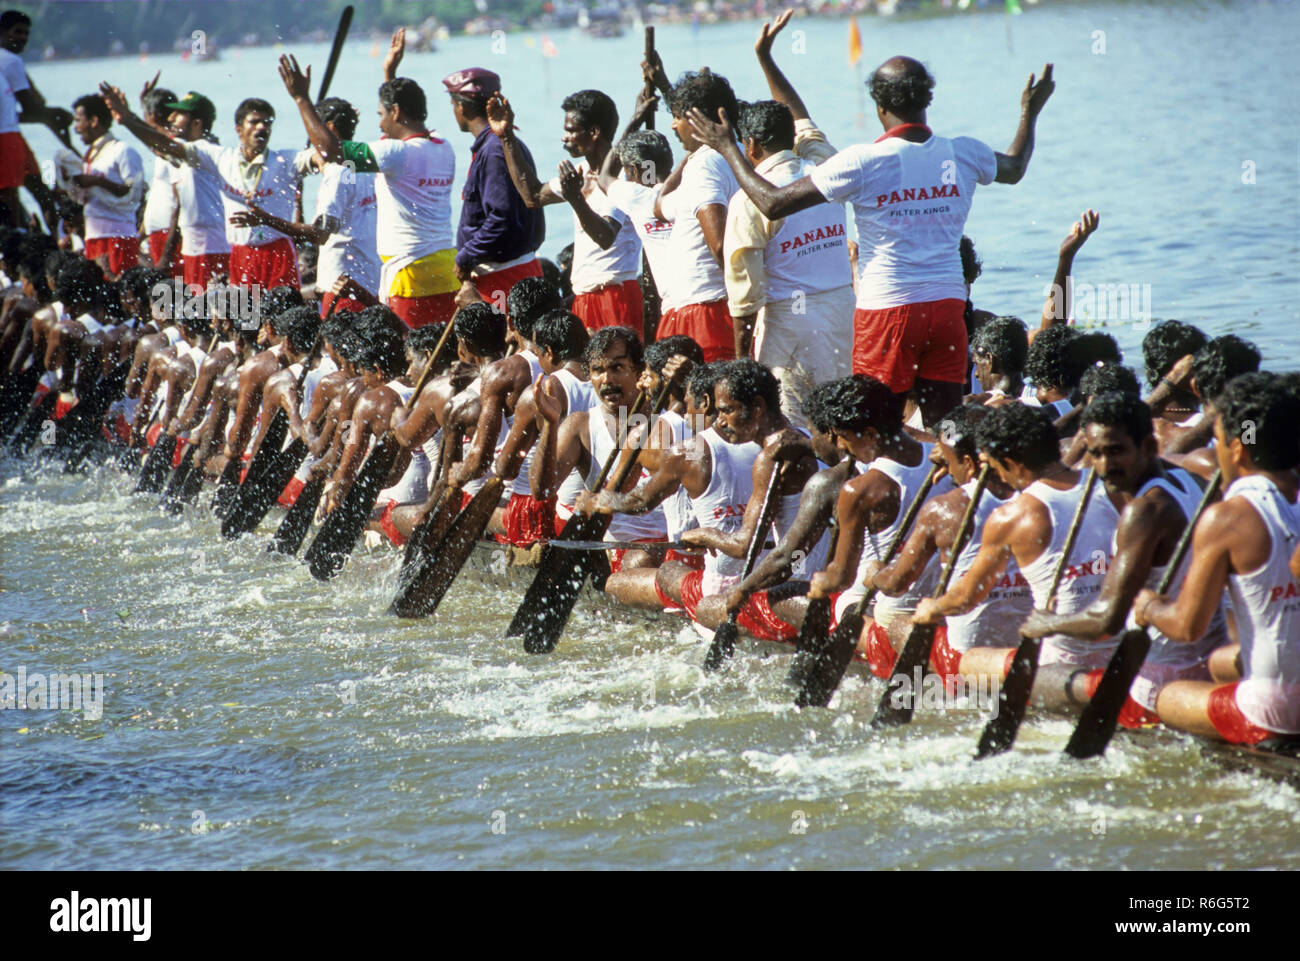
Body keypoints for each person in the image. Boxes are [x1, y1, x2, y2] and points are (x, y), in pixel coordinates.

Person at [683, 52, 1055, 428]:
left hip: (888, 313)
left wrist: (728, 147)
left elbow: (772, 202)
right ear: (928, 98)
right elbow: (1015, 167)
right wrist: (1029, 113)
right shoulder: (964, 152)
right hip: (947, 309)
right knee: (946, 426)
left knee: (872, 427)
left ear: (879, 106)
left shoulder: (863, 161)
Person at [1020, 392, 1226, 726]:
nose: (1105, 466)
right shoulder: (1190, 479)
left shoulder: (1143, 511)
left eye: (1116, 451)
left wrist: (1046, 624)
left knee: (1037, 680)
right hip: (1206, 657)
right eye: (1096, 454)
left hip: (1161, 676)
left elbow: (1106, 620)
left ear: (1148, 446)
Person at [1136, 374, 1300, 744]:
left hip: (1274, 714)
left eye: (1219, 440)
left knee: (1166, 695)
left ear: (1237, 448)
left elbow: (1186, 627)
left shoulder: (1225, 518)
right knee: (1218, 662)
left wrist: (1148, 607)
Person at [913, 402, 1122, 683]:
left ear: (1011, 464)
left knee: (969, 660)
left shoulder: (1012, 516)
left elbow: (966, 598)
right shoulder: (1113, 485)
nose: (999, 476)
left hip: (1061, 659)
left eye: (996, 467)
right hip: (1121, 646)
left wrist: (933, 608)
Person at [723, 13, 854, 425]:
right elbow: (804, 122)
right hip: (842, 312)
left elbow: (745, 298)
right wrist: (766, 59)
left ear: (749, 145)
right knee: (841, 418)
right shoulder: (827, 169)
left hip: (789, 323)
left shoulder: (749, 200)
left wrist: (742, 363)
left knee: (793, 427)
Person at [669, 358, 830, 640]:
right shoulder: (807, 438)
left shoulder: (770, 457)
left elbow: (744, 546)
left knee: (706, 608)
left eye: (727, 410)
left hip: (794, 593)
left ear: (757, 407)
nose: (720, 422)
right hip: (820, 579)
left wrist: (704, 535)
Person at [870, 403, 1031, 682]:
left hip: (963, 655)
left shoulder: (944, 509)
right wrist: (952, 455)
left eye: (948, 460)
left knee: (898, 624)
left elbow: (896, 584)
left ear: (969, 463)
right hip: (1026, 644)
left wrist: (875, 574)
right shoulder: (1039, 497)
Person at [807, 374, 942, 676]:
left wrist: (820, 581)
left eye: (842, 436)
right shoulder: (942, 453)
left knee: (840, 603)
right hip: (943, 599)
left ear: (870, 434)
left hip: (894, 610)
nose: (839, 446)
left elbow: (841, 577)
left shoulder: (860, 490)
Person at [488, 88, 644, 336]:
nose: (564, 138)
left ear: (594, 132)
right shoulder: (580, 174)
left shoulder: (624, 177)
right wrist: (506, 137)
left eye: (571, 131)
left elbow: (605, 236)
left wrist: (576, 199)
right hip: (584, 294)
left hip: (616, 294)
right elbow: (532, 196)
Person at [531, 326, 668, 600]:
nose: (606, 380)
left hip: (676, 546)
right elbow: (542, 490)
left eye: (617, 368)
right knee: (640, 560)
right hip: (626, 555)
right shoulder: (580, 426)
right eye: (597, 370)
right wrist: (550, 424)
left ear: (640, 372)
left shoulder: (670, 418)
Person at [642, 59, 740, 362]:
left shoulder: (707, 164)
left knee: (700, 392)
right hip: (695, 306)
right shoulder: (723, 156)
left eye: (677, 118)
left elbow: (720, 246)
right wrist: (690, 154)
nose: (673, 126)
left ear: (697, 120)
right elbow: (659, 206)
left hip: (704, 311)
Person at [97, 86, 231, 292]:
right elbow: (158, 145)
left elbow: (162, 143)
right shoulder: (186, 154)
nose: (171, 118)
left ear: (196, 123)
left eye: (180, 114)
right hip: (196, 246)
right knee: (194, 305)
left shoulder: (204, 150)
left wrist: (127, 119)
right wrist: (128, 116)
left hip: (210, 248)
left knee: (209, 306)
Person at [445, 67, 543, 311]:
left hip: (503, 278)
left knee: (502, 335)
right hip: (509, 272)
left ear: (462, 107)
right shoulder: (501, 144)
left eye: (453, 105)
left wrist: (466, 256)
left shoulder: (494, 150)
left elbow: (502, 217)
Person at [0, 10, 69, 228]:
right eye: (17, 32)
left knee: (31, 195)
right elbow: (33, 106)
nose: (23, 38)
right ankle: (40, 238)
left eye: (26, 33)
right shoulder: (11, 61)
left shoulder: (12, 61)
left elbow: (32, 103)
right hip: (7, 138)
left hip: (12, 134)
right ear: (2, 32)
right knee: (23, 196)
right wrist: (57, 114)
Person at [68, 93, 144, 278]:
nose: (76, 128)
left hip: (119, 237)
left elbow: (135, 194)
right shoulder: (90, 156)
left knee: (122, 290)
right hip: (93, 236)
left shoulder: (122, 150)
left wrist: (97, 181)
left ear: (94, 121)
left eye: (78, 121)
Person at [137, 79, 183, 277]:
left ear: (153, 116)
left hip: (170, 237)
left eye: (146, 114)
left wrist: (167, 254)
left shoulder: (173, 147)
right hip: (158, 233)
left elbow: (181, 202)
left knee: (177, 292)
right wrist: (140, 236)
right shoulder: (164, 147)